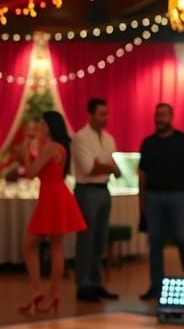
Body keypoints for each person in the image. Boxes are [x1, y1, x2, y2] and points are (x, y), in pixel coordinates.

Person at [18, 111, 87, 313]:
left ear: (50, 125)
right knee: (53, 246)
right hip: (55, 194)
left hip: (52, 197)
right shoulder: (59, 146)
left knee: (31, 245)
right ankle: (42, 293)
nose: (40, 125)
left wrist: (25, 147)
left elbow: (31, 173)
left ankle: (44, 292)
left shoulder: (50, 147)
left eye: (42, 122)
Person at [137, 103, 184, 300]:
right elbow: (142, 174)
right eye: (157, 115)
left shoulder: (183, 140)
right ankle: (155, 285)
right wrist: (141, 200)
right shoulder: (148, 143)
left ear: (171, 117)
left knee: (183, 237)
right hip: (154, 197)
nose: (159, 119)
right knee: (155, 243)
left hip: (178, 197)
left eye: (163, 115)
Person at [71, 98, 121, 302]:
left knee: (100, 239)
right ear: (90, 115)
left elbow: (110, 166)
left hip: (103, 190)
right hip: (87, 190)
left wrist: (104, 166)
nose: (105, 118)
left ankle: (96, 282)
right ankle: (83, 284)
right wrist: (107, 167)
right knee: (86, 240)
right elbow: (88, 168)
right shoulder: (80, 138)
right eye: (101, 114)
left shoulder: (109, 138)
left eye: (107, 114)